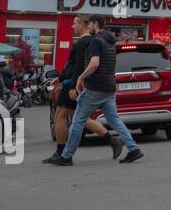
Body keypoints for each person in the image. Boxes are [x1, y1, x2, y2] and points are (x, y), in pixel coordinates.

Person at [45, 15, 141, 165]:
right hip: (109, 88)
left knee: (77, 121)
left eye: (90, 24)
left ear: (95, 24)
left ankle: (66, 156)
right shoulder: (110, 42)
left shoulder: (96, 41)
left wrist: (81, 78)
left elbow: (94, 63)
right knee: (114, 120)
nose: (89, 27)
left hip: (96, 88)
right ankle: (134, 148)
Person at [49, 15, 119, 158]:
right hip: (82, 84)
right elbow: (75, 66)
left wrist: (73, 87)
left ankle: (60, 152)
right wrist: (60, 77)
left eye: (75, 24)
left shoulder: (82, 43)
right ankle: (112, 140)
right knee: (82, 119)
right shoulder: (92, 41)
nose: (72, 26)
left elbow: (78, 67)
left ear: (84, 25)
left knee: (60, 116)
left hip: (74, 85)